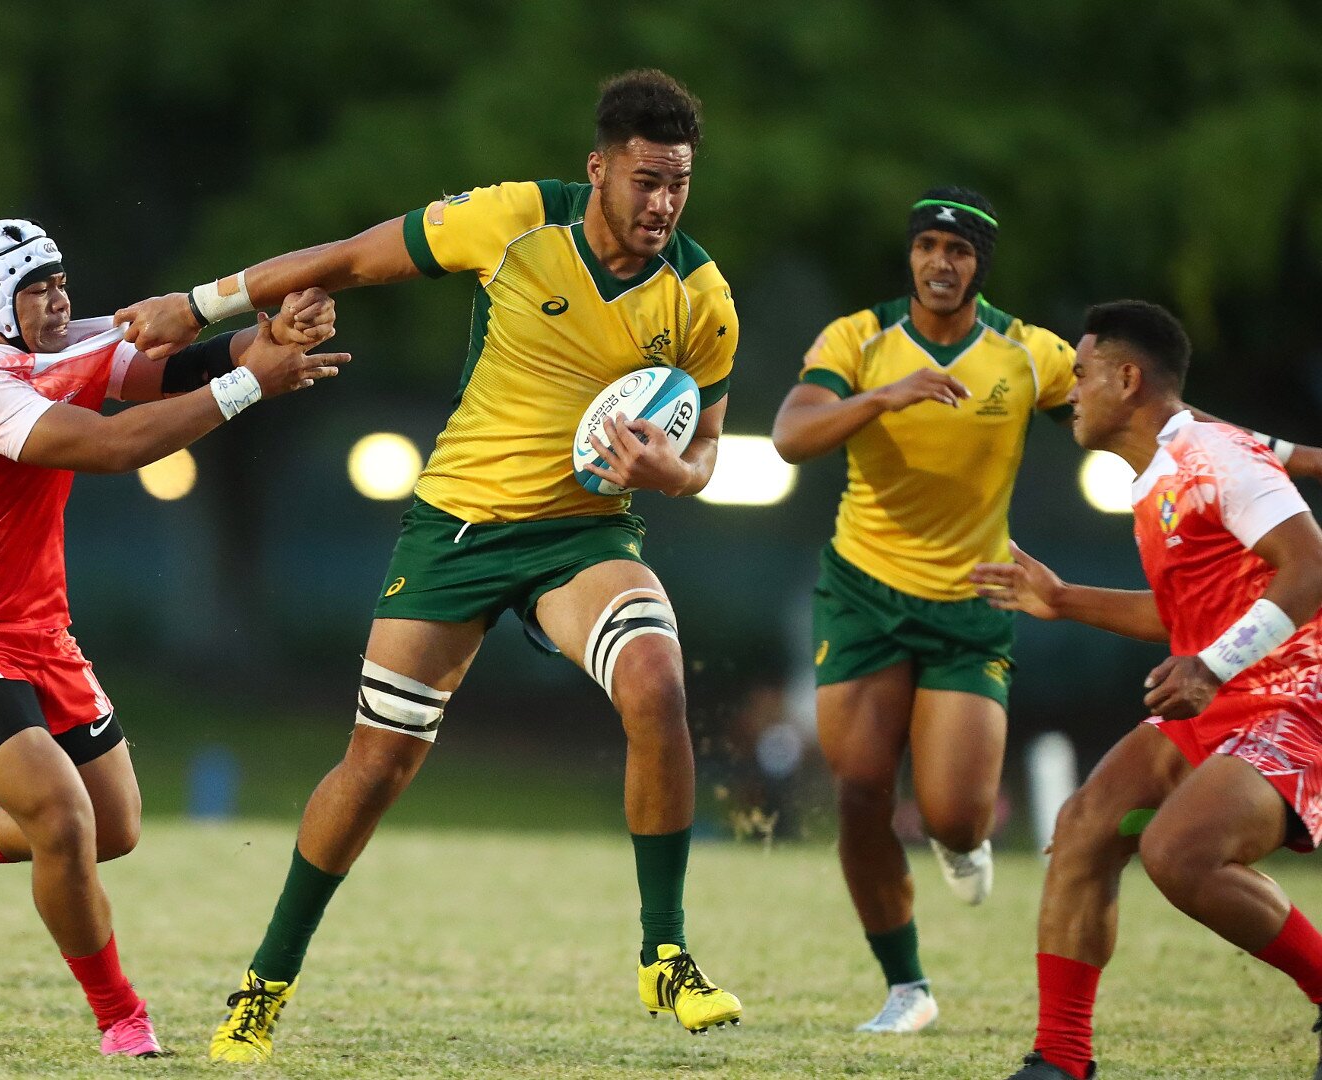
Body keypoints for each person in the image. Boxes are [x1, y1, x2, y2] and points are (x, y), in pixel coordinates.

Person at [115, 68, 743, 1062]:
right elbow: (352, 260)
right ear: (599, 170)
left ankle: (665, 951)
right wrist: (200, 308)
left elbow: (706, 450)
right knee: (376, 767)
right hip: (455, 530)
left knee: (657, 679)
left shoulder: (702, 300)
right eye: (644, 180)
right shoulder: (515, 223)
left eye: (678, 184)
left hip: (582, 540)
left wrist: (676, 470)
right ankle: (264, 985)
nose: (662, 202)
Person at [771, 192, 1322, 1034]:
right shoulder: (861, 338)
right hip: (866, 591)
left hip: (1025, 613)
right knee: (1039, 819)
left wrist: (1297, 459)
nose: (939, 262)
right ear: (910, 255)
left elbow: (1189, 430)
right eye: (925, 245)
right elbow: (791, 435)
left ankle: (964, 847)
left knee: (1131, 846)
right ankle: (1005, 1031)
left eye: (957, 250)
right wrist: (1062, 598)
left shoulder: (1065, 373)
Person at [0, 219, 346, 1058]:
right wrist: (253, 385)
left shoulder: (61, 345)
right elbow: (116, 446)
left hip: (36, 631)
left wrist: (267, 338)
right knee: (59, 817)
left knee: (113, 827)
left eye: (60, 281)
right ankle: (121, 1017)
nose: (60, 300)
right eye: (38, 288)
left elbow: (169, 370)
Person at [971, 300, 1322, 1080]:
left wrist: (1210, 667)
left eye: (1083, 371)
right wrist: (1062, 600)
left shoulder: (1213, 455)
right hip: (1228, 693)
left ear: (1128, 379)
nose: (1070, 390)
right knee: (1085, 827)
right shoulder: (1161, 473)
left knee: (1179, 853)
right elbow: (1182, 617)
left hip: (1295, 697)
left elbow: (1311, 565)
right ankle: (1060, 1059)